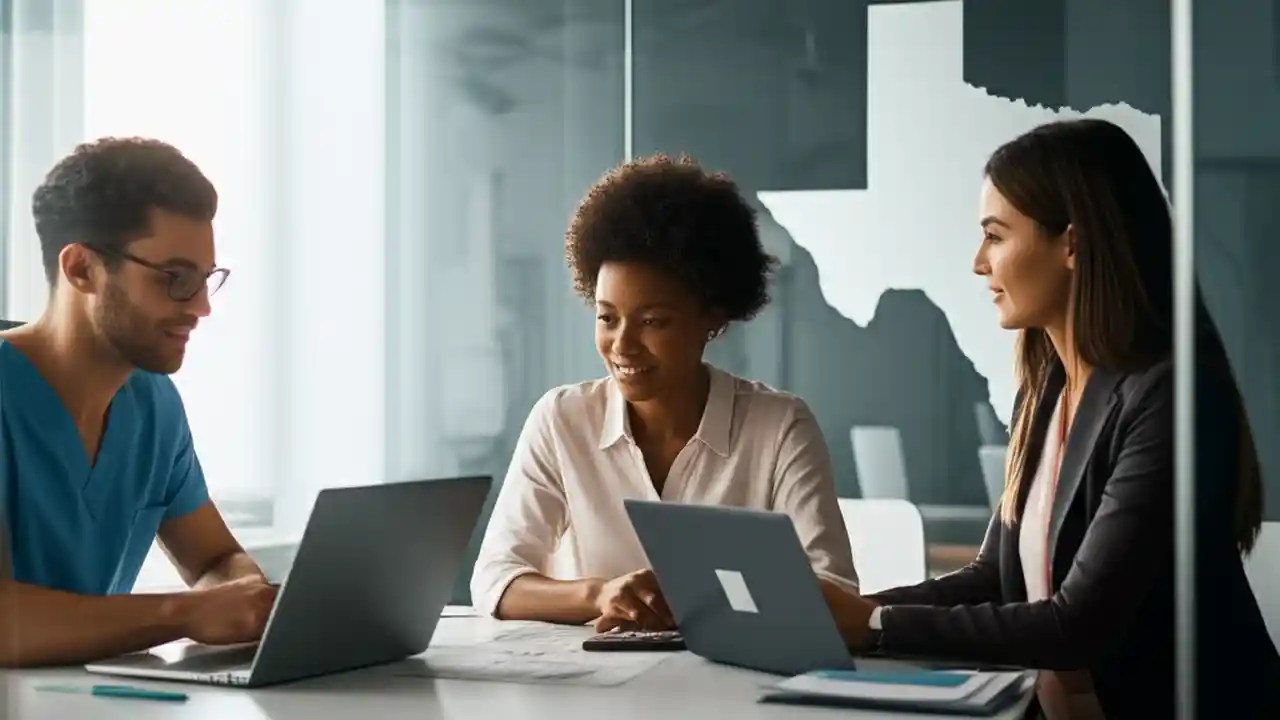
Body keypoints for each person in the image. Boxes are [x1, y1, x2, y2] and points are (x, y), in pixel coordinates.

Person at [818, 119, 1280, 718]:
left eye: (995, 236)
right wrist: (854, 612)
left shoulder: (1169, 397)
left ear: (1072, 243)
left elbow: (1077, 624)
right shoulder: (1047, 391)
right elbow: (994, 578)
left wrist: (875, 623)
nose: (979, 263)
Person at [470, 154, 857, 631]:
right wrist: (600, 593)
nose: (622, 344)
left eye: (652, 321)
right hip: (594, 693)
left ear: (712, 318)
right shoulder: (562, 419)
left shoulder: (779, 428)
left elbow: (835, 592)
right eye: (607, 317)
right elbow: (496, 579)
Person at [0, 138, 277, 668]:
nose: (200, 308)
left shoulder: (152, 404)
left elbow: (216, 558)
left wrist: (242, 596)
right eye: (175, 279)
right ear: (82, 269)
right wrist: (185, 613)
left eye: (204, 281)